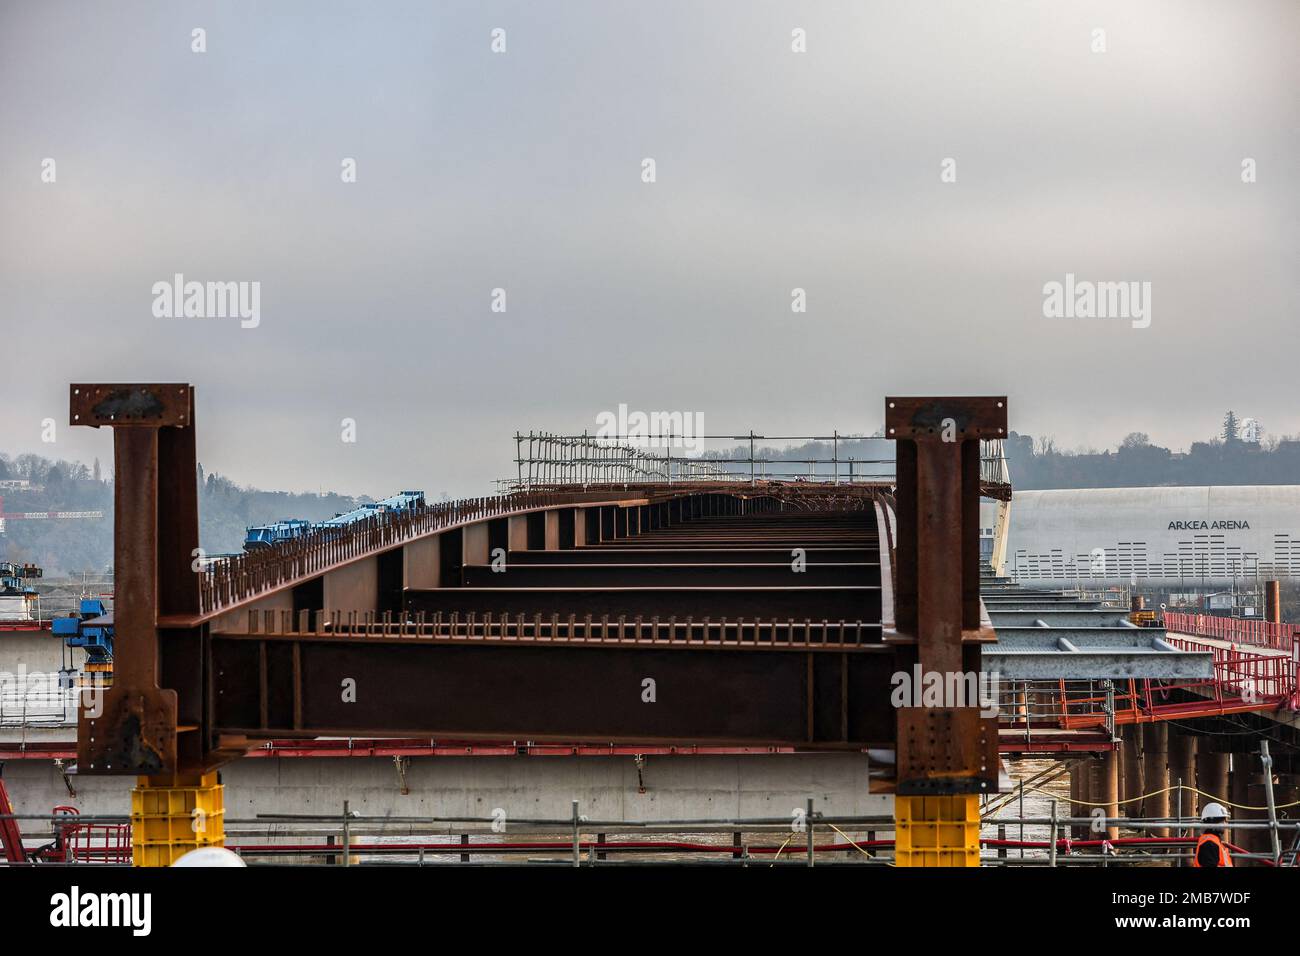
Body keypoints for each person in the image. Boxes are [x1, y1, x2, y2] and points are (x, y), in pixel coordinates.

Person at [1192, 803, 1233, 867]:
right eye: (1223, 821)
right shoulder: (1209, 844)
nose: (1225, 824)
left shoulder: (1213, 840)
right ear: (1213, 822)